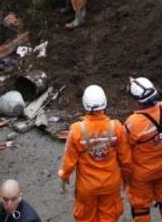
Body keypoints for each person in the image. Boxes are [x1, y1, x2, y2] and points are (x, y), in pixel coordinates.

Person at [60, 85, 132, 222]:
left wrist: (64, 175)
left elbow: (69, 161)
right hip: (110, 185)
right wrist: (127, 178)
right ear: (104, 103)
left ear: (85, 105)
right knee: (109, 216)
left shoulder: (76, 130)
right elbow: (126, 159)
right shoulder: (116, 127)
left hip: (87, 188)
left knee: (85, 217)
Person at [123, 77, 162, 222]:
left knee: (140, 208)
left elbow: (124, 148)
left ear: (137, 101)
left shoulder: (133, 123)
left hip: (142, 174)